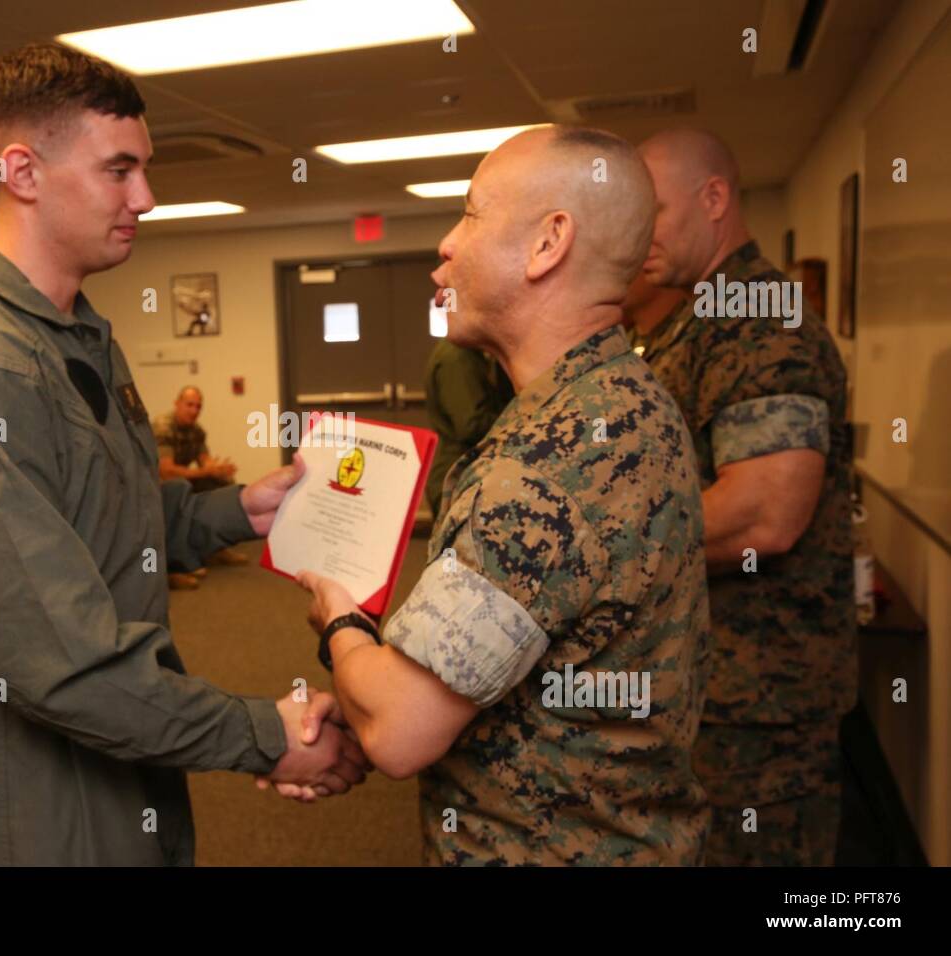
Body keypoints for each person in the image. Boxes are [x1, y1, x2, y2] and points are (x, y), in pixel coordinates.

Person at [0, 41, 368, 866]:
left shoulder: (74, 336)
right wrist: (266, 733)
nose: (148, 197)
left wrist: (233, 510)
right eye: (119, 171)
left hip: (123, 751)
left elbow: (94, 523)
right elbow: (57, 656)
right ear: (21, 173)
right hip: (28, 793)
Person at [278, 126, 712, 865]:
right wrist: (370, 691)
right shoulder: (624, 397)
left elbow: (400, 730)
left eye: (471, 215)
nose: (446, 244)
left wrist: (339, 614)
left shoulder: (548, 459)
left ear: (549, 244)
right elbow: (511, 662)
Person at [637, 128, 855, 866]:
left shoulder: (759, 318)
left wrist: (610, 543)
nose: (639, 237)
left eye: (654, 212)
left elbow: (766, 515)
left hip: (757, 701)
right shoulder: (699, 318)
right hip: (708, 688)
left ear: (716, 199)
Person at [151, 386, 248, 588]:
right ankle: (179, 563)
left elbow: (206, 462)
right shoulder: (163, 426)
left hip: (179, 482)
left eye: (198, 406)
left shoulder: (197, 430)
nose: (194, 410)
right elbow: (166, 472)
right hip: (154, 486)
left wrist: (219, 470)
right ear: (177, 404)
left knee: (221, 485)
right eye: (189, 405)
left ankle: (215, 548)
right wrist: (207, 471)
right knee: (178, 487)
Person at [422, 340, 513, 517]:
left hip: (462, 470)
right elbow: (471, 425)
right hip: (458, 472)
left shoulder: (467, 354)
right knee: (456, 545)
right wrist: (519, 417)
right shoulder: (458, 358)